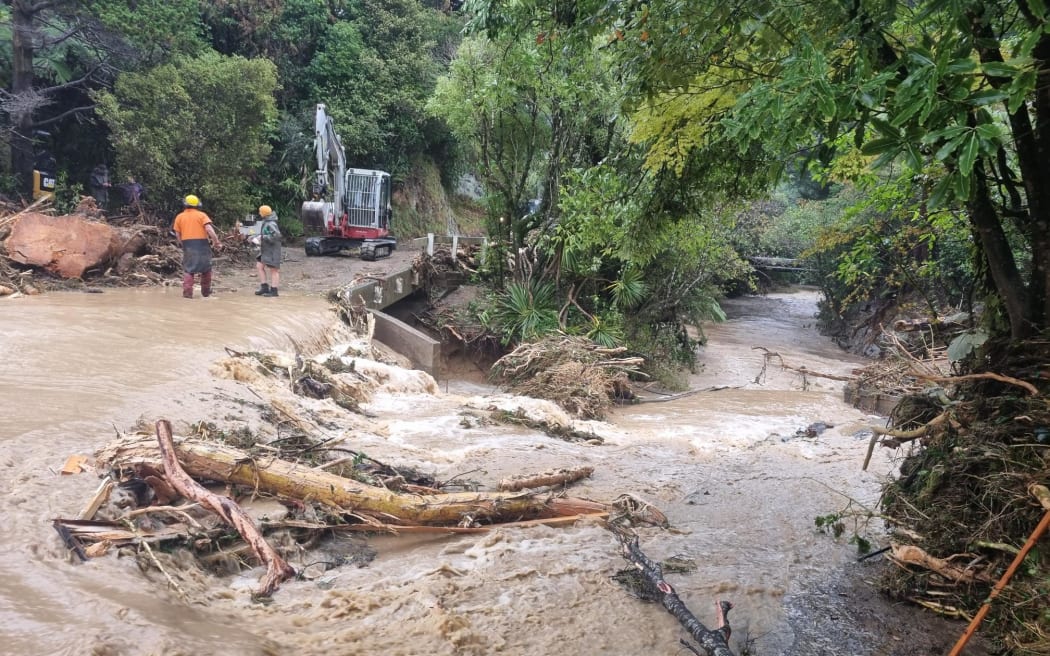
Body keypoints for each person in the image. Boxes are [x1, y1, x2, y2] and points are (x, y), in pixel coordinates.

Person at [172, 194, 222, 299]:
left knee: (189, 270)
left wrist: (183, 244)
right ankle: (206, 294)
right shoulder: (202, 215)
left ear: (185, 204)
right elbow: (209, 229)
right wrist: (216, 242)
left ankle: (187, 294)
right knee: (206, 270)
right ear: (198, 205)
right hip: (202, 244)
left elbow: (177, 234)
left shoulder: (179, 217)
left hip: (188, 245)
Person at [254, 205, 282, 297]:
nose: (259, 213)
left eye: (260, 211)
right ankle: (264, 287)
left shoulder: (271, 223)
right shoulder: (266, 221)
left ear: (264, 213)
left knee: (274, 270)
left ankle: (274, 290)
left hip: (272, 251)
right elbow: (266, 234)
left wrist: (262, 237)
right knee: (259, 266)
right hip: (265, 250)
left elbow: (276, 236)